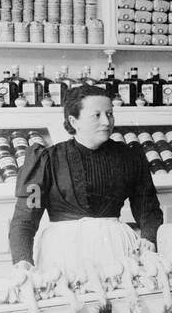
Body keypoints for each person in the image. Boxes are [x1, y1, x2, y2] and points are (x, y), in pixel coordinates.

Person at [9, 85, 163, 278]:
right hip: (63, 254)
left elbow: (148, 209)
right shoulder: (46, 161)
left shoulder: (130, 157)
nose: (106, 121)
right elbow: (25, 219)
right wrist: (22, 259)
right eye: (96, 115)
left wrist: (149, 238)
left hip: (117, 249)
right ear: (74, 121)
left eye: (109, 114)